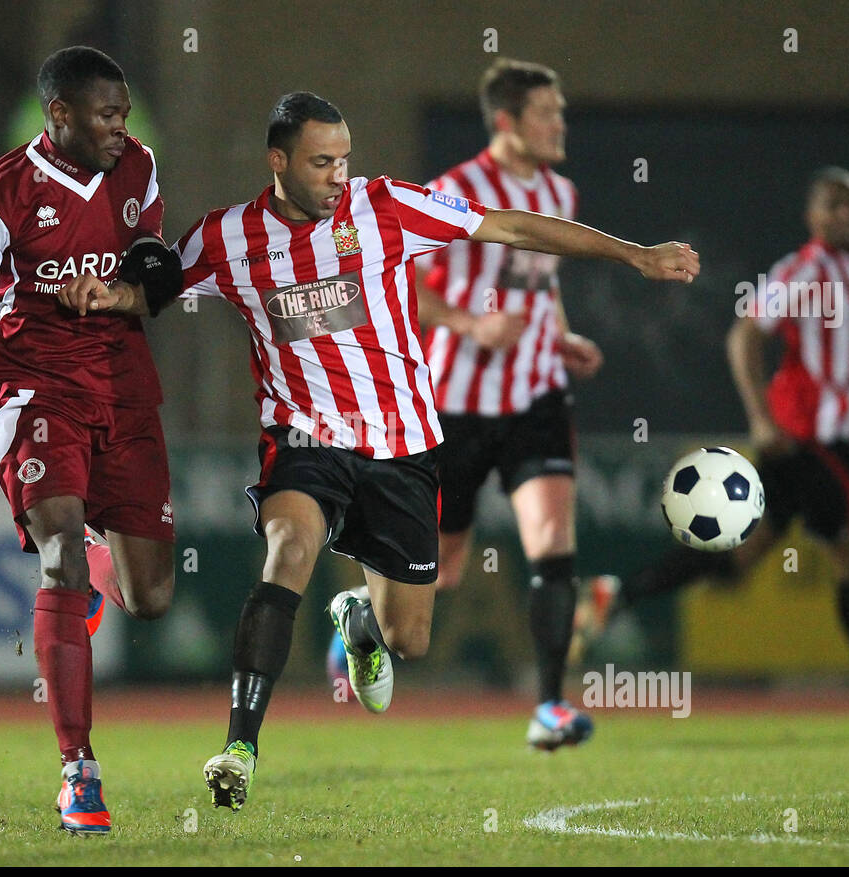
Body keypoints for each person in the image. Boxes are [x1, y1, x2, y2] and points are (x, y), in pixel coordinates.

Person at [174, 91, 699, 811]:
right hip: (303, 437)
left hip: (404, 448)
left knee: (410, 640)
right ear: (278, 163)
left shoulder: (386, 208)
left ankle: (361, 620)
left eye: (343, 159)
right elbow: (148, 289)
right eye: (320, 161)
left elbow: (512, 227)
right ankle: (240, 747)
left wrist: (632, 254)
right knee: (288, 550)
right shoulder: (225, 237)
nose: (337, 174)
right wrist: (98, 291)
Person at [575, 167, 849, 733]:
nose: (844, 214)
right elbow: (745, 334)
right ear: (812, 217)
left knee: (739, 558)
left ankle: (619, 594)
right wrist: (760, 417)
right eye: (832, 205)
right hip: (809, 439)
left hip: (832, 435)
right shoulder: (801, 271)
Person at [0, 46, 184, 834]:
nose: (121, 126)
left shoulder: (136, 168)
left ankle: (95, 575)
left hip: (126, 391)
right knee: (59, 550)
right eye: (106, 114)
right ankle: (79, 772)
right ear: (60, 115)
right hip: (35, 391)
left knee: (151, 599)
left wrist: (118, 292)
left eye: (125, 112)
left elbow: (155, 276)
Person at [361, 58, 602, 750]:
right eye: (546, 112)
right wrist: (471, 324)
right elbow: (399, 284)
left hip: (536, 396)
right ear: (507, 122)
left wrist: (561, 337)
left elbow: (540, 281)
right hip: (456, 401)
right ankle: (363, 611)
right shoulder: (454, 191)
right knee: (445, 568)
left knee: (554, 545)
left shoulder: (561, 191)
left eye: (560, 110)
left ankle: (549, 708)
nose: (560, 123)